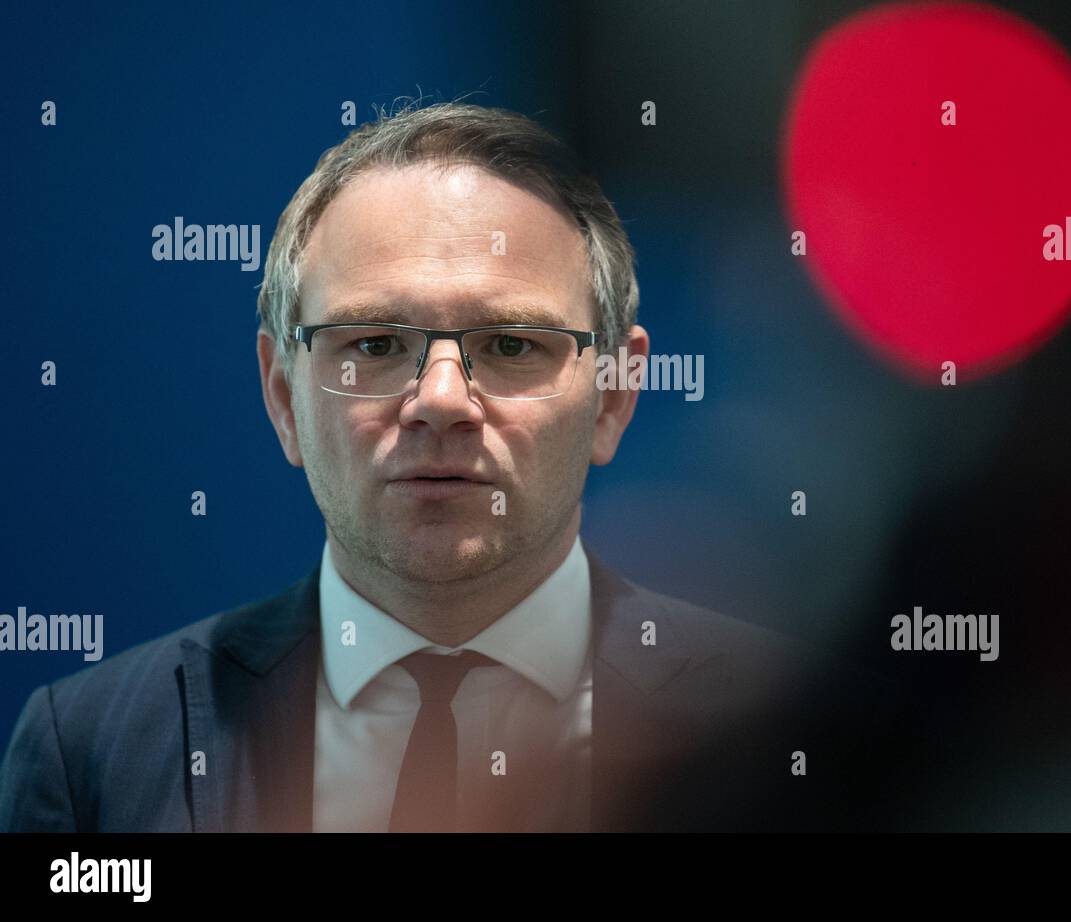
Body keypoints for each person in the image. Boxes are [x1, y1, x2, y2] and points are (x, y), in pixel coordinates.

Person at [0, 101, 874, 832]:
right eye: (374, 343)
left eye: (512, 343)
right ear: (280, 395)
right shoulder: (92, 755)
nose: (443, 400)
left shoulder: (799, 738)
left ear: (613, 394)